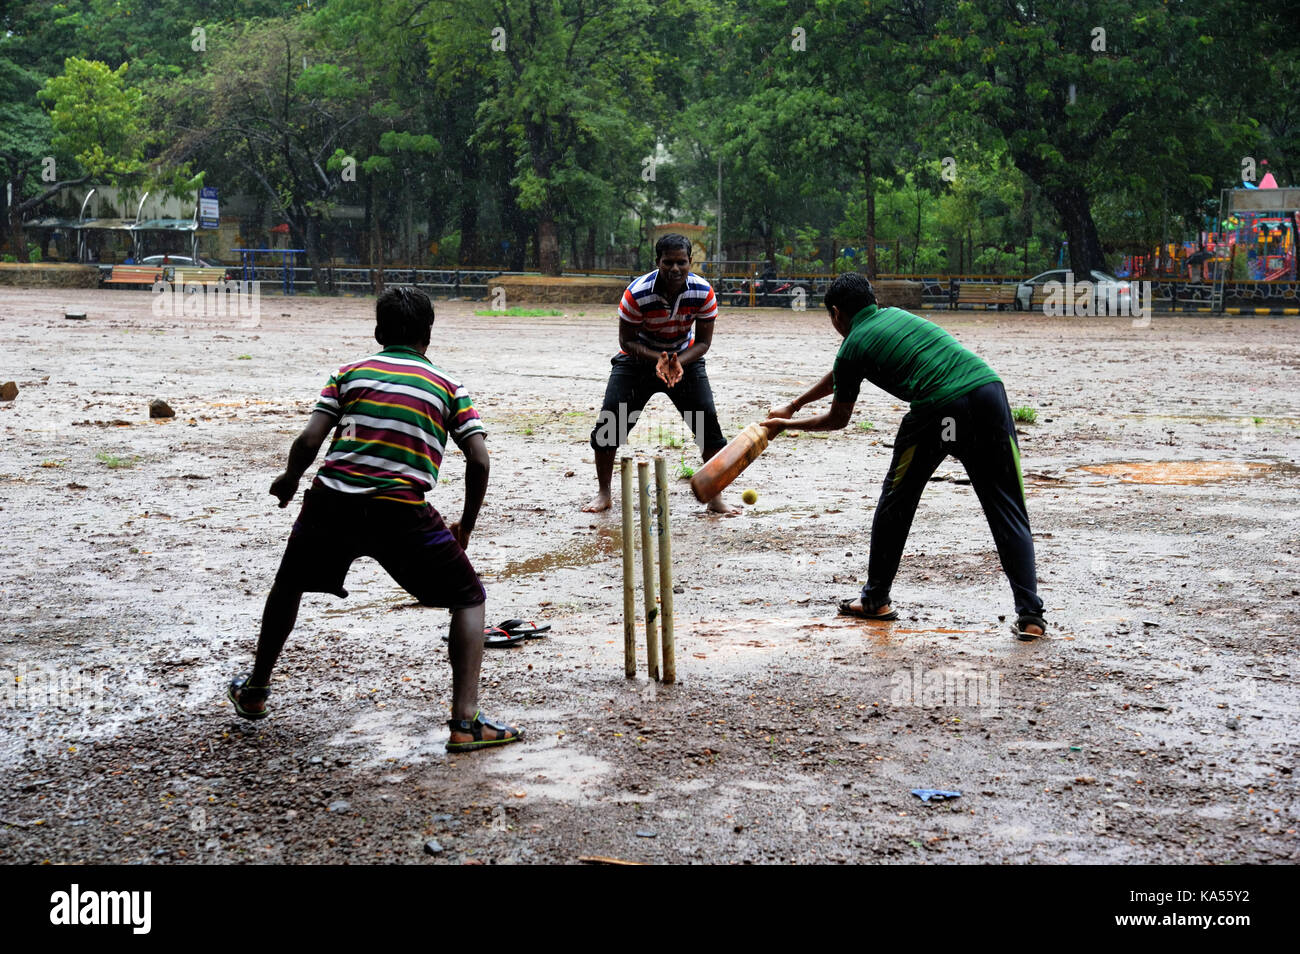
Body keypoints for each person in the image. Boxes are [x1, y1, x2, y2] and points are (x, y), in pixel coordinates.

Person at [226, 286, 523, 750]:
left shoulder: (347, 374)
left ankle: (256, 690)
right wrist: (465, 525)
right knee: (468, 598)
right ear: (429, 333)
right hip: (402, 511)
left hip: (331, 504)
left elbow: (309, 440)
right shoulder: (448, 387)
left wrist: (288, 479)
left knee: (288, 586)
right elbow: (480, 460)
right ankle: (465, 724)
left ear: (379, 331)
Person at [762, 273, 1046, 639]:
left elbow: (838, 418)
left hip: (937, 409)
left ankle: (876, 599)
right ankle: (1031, 616)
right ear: (872, 301)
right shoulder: (894, 317)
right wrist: (795, 403)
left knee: (897, 501)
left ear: (836, 314)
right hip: (987, 390)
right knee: (1006, 506)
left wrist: (787, 424)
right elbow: (842, 373)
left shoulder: (851, 346)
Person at [583, 233, 739, 515]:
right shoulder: (637, 292)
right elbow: (626, 341)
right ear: (658, 262)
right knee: (611, 422)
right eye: (668, 262)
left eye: (681, 262)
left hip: (685, 360)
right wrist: (658, 359)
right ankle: (604, 493)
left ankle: (714, 497)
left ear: (690, 261)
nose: (675, 269)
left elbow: (703, 343)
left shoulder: (703, 291)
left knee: (707, 424)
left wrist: (676, 360)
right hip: (638, 361)